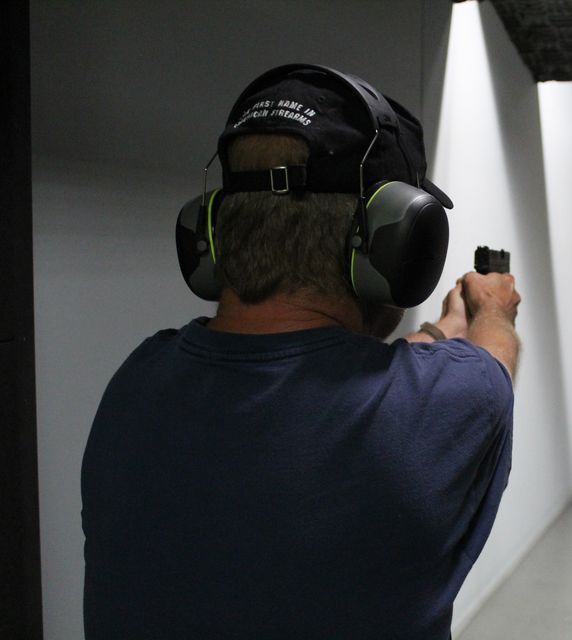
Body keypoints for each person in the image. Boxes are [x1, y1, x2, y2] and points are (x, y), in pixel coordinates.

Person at [81, 65, 520, 639]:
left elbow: (316, 384)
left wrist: (438, 332)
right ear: (397, 245)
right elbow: (493, 364)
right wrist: (491, 308)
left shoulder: (136, 382)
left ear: (212, 231)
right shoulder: (457, 400)